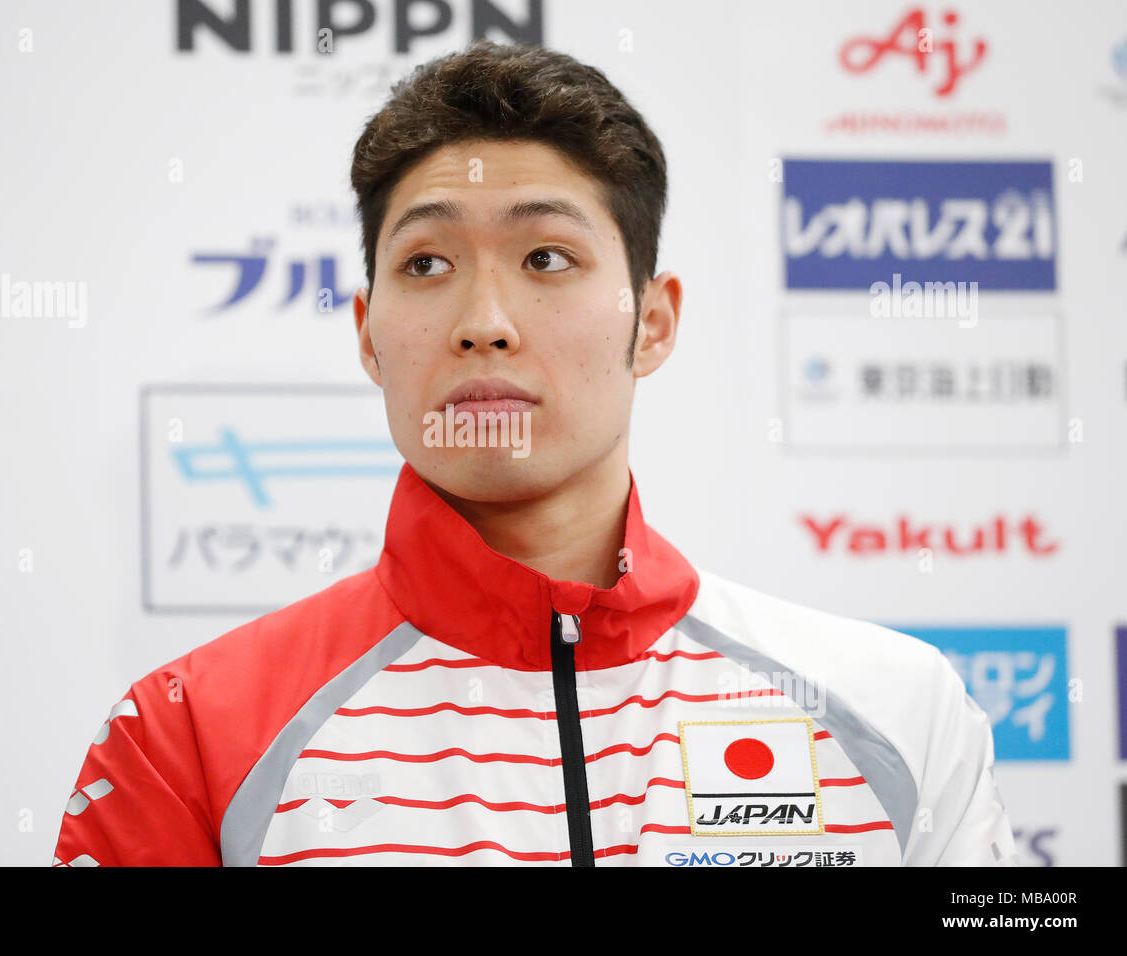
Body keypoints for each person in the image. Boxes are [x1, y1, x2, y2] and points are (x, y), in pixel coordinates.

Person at [52, 40, 1016, 867]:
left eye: (547, 258)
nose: (485, 322)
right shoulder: (190, 734)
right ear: (368, 335)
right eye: (427, 264)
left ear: (652, 322)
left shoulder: (895, 709)